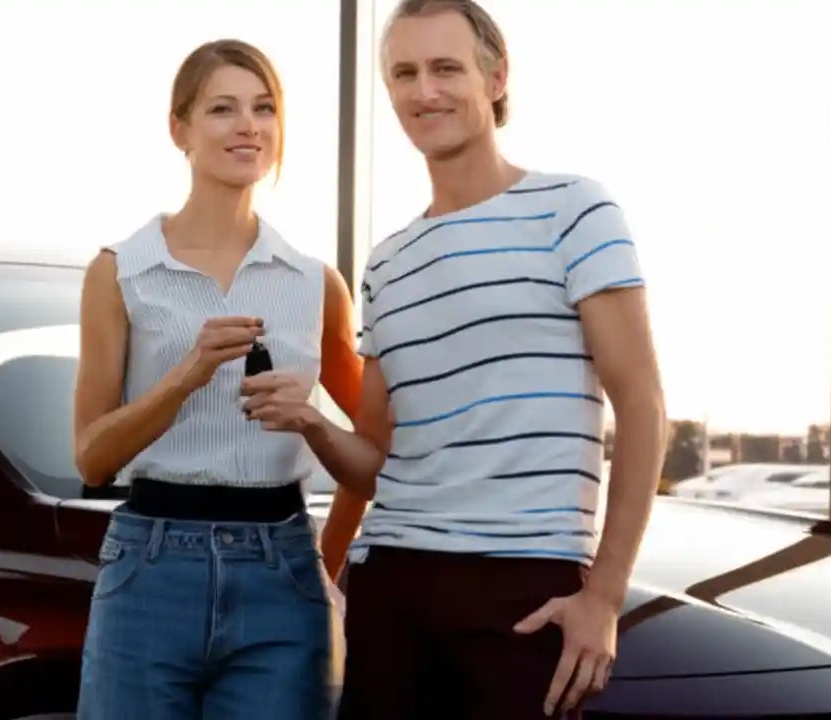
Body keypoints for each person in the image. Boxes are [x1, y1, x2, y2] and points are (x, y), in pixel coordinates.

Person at [241, 1, 668, 717]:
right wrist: (312, 422)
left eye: (446, 68)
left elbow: (644, 405)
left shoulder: (576, 210)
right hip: (392, 587)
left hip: (525, 588)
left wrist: (604, 594)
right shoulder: (388, 262)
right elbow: (376, 461)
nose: (424, 90)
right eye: (404, 73)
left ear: (496, 77)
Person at [72, 39, 364, 720]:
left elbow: (371, 461)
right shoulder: (120, 272)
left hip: (281, 572)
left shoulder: (316, 283)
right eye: (223, 109)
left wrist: (323, 559)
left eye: (264, 109)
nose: (248, 126)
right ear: (180, 129)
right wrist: (186, 377)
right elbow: (91, 454)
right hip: (150, 568)